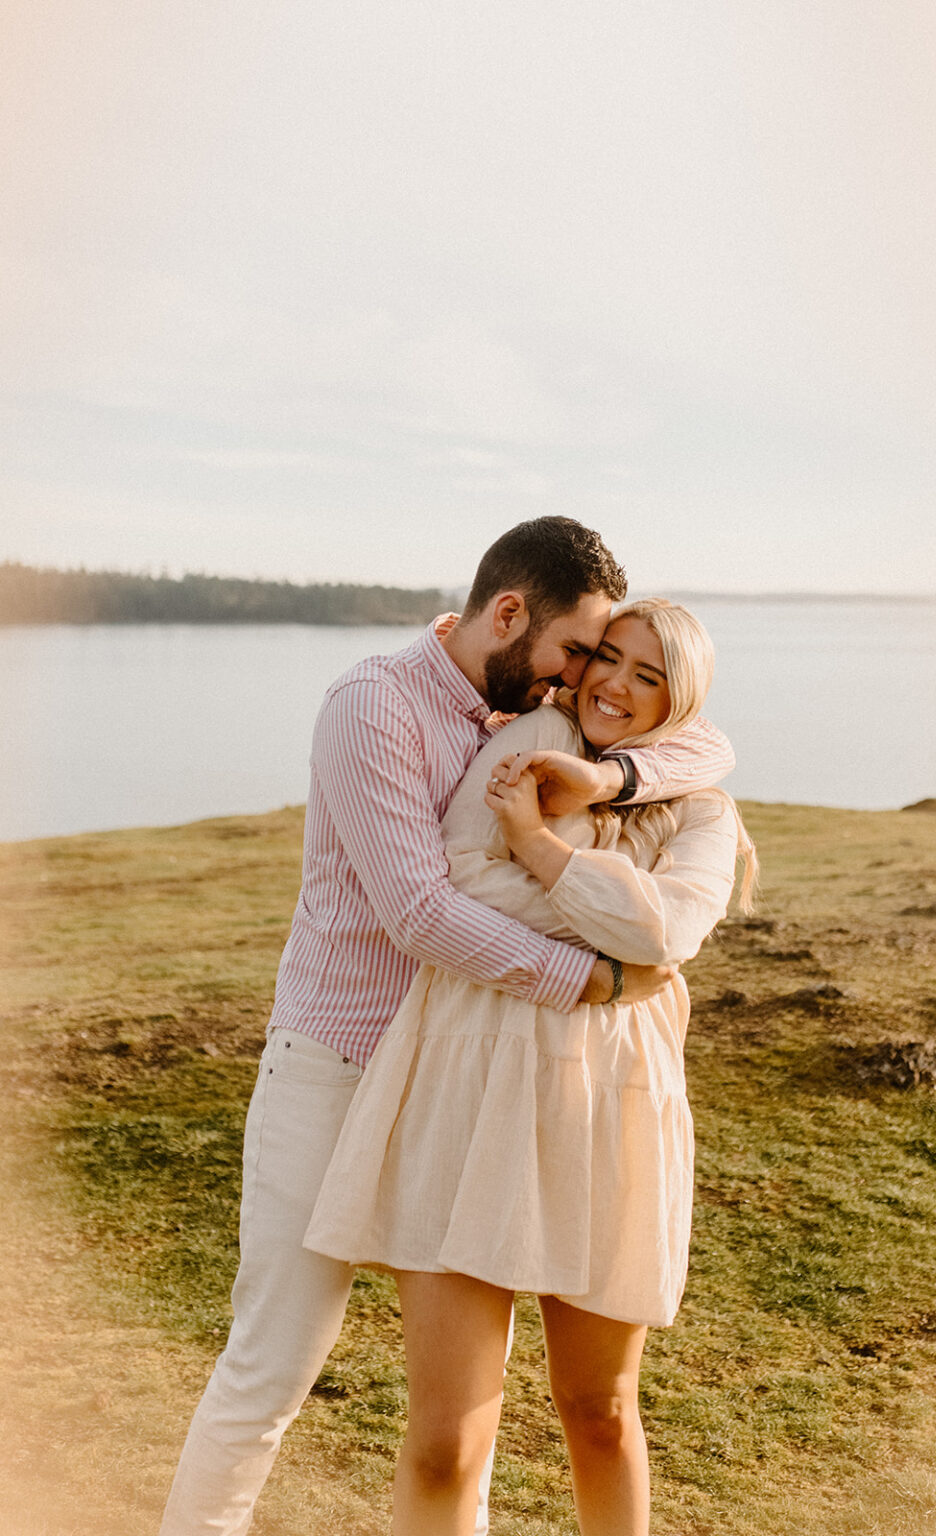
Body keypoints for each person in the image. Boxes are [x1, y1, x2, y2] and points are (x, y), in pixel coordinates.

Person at [159, 521, 736, 1536]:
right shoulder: (374, 705)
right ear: (509, 616)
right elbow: (422, 913)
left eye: (602, 660)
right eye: (578, 651)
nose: (583, 679)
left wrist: (612, 781)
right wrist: (598, 975)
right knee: (272, 1369)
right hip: (340, 1065)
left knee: (466, 1424)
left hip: (469, 1087)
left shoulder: (532, 709)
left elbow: (697, 735)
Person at [304, 598, 757, 1536]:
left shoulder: (703, 808)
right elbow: (462, 878)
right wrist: (617, 941)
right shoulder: (527, 742)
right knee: (445, 1442)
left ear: (682, 700)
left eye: (649, 675)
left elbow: (669, 930)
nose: (615, 686)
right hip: (468, 1090)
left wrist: (543, 849)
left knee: (598, 1416)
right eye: (608, 659)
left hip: (609, 1106)